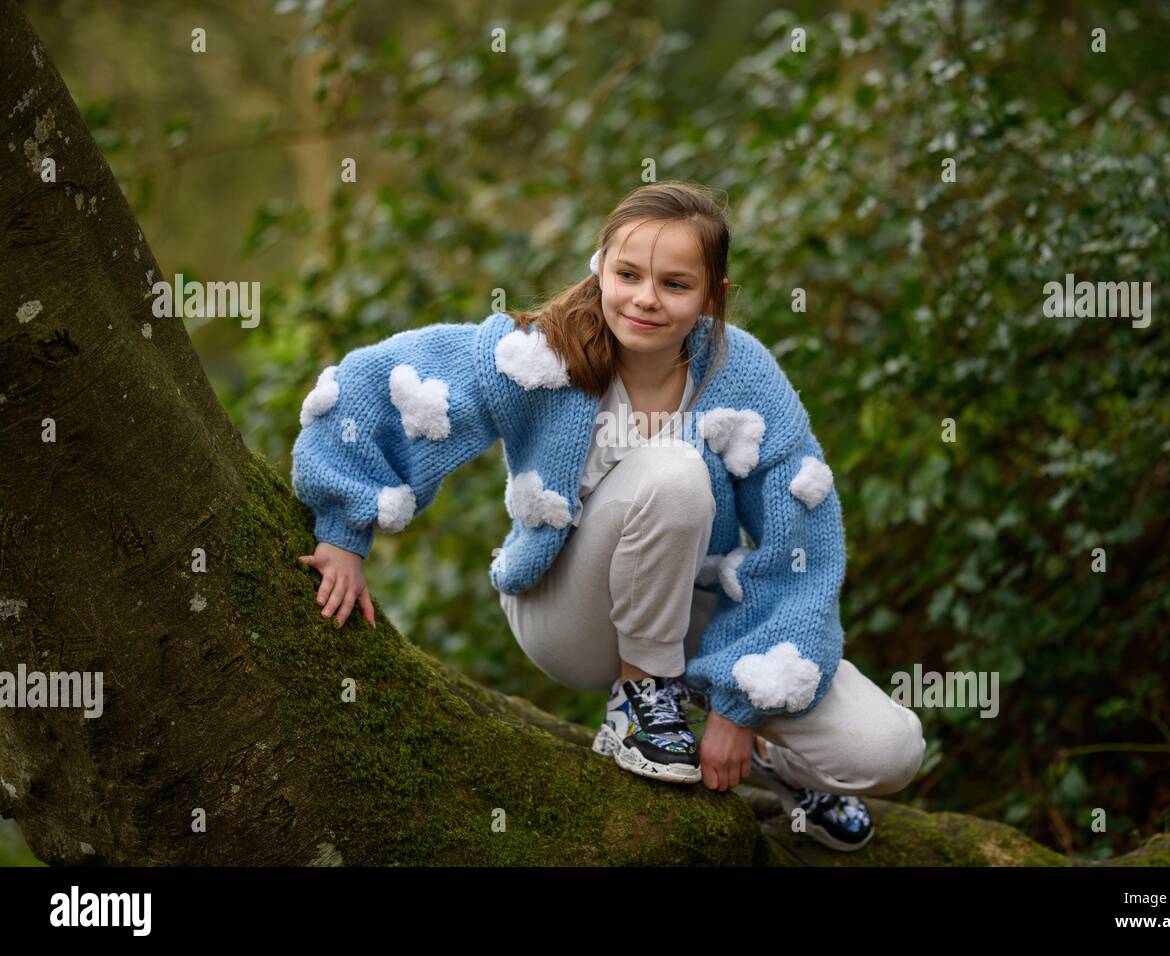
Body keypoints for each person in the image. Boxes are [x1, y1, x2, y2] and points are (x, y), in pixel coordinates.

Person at [291, 180, 925, 852]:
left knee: (889, 749)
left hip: (693, 610)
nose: (646, 298)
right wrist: (344, 532)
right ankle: (638, 703)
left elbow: (804, 539)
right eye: (628, 274)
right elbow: (377, 387)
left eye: (675, 284)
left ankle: (770, 755)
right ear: (601, 268)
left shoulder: (743, 375)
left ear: (713, 296)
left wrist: (744, 707)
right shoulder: (542, 354)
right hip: (569, 610)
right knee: (674, 473)